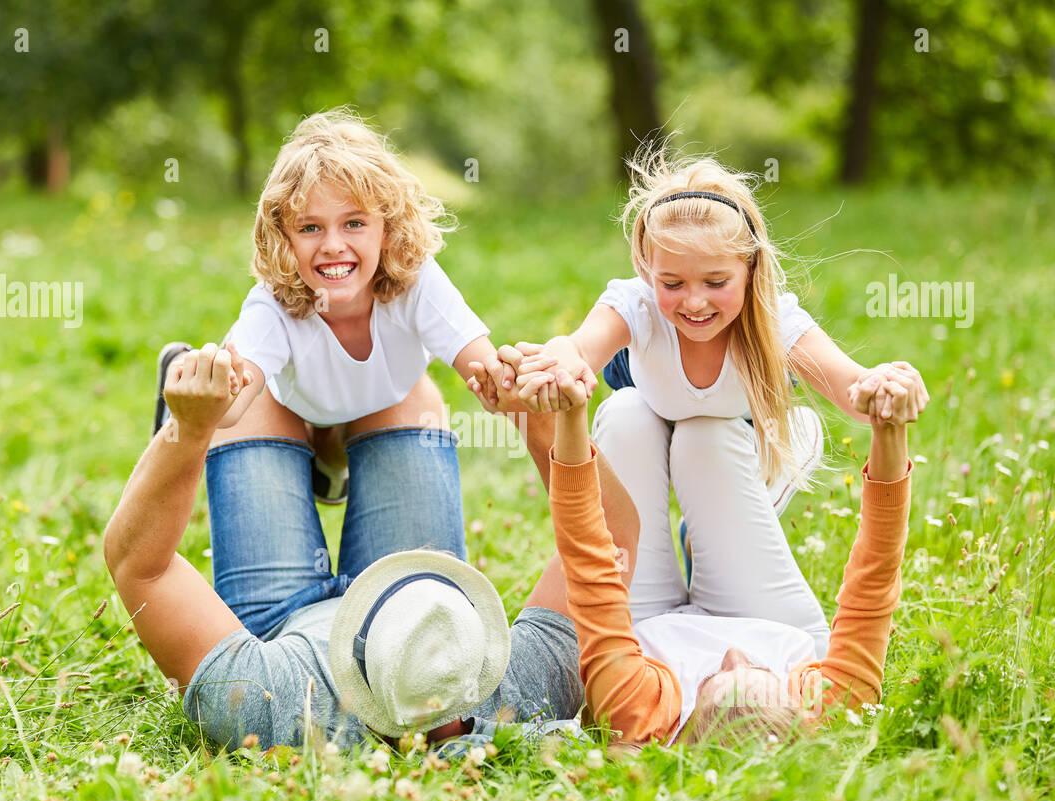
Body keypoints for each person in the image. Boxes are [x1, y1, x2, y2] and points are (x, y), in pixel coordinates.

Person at [497, 144, 928, 657]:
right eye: (672, 283)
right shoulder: (634, 303)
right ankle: (649, 602)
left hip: (738, 433)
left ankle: (764, 478)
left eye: (716, 282)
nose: (694, 301)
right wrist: (553, 364)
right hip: (652, 412)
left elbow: (853, 388)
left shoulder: (774, 321)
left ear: (750, 270)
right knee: (625, 414)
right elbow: (579, 347)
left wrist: (886, 385)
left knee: (704, 437)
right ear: (645, 268)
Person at [105, 342, 638, 751]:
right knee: (402, 386)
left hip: (281, 618)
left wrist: (190, 429)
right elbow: (610, 538)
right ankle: (336, 423)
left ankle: (300, 422)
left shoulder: (274, 703)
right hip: (391, 596)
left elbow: (139, 563)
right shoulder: (518, 693)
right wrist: (539, 422)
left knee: (253, 401)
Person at [515, 357, 917, 750]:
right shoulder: (831, 703)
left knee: (626, 415)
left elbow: (590, 561)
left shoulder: (635, 710)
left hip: (648, 629)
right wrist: (890, 430)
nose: (733, 653)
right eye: (759, 669)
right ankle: (769, 459)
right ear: (796, 710)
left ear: (687, 726)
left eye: (715, 676)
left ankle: (709, 533)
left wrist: (570, 418)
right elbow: (874, 579)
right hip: (766, 619)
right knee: (703, 435)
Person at [153, 108, 508, 508]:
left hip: (372, 400)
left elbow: (483, 367)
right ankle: (179, 379)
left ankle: (329, 448)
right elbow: (230, 410)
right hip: (293, 400)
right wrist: (202, 397)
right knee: (263, 405)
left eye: (354, 223)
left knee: (340, 424)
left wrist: (505, 383)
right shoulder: (272, 307)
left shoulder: (417, 283)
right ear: (284, 239)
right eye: (310, 228)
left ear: (388, 230)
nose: (333, 245)